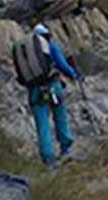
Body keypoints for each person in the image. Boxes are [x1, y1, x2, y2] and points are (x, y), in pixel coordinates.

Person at [27, 24, 82, 167]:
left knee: (42, 124)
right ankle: (65, 148)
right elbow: (62, 65)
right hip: (53, 86)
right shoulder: (51, 46)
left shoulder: (28, 51)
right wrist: (73, 74)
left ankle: (48, 158)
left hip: (35, 91)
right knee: (60, 117)